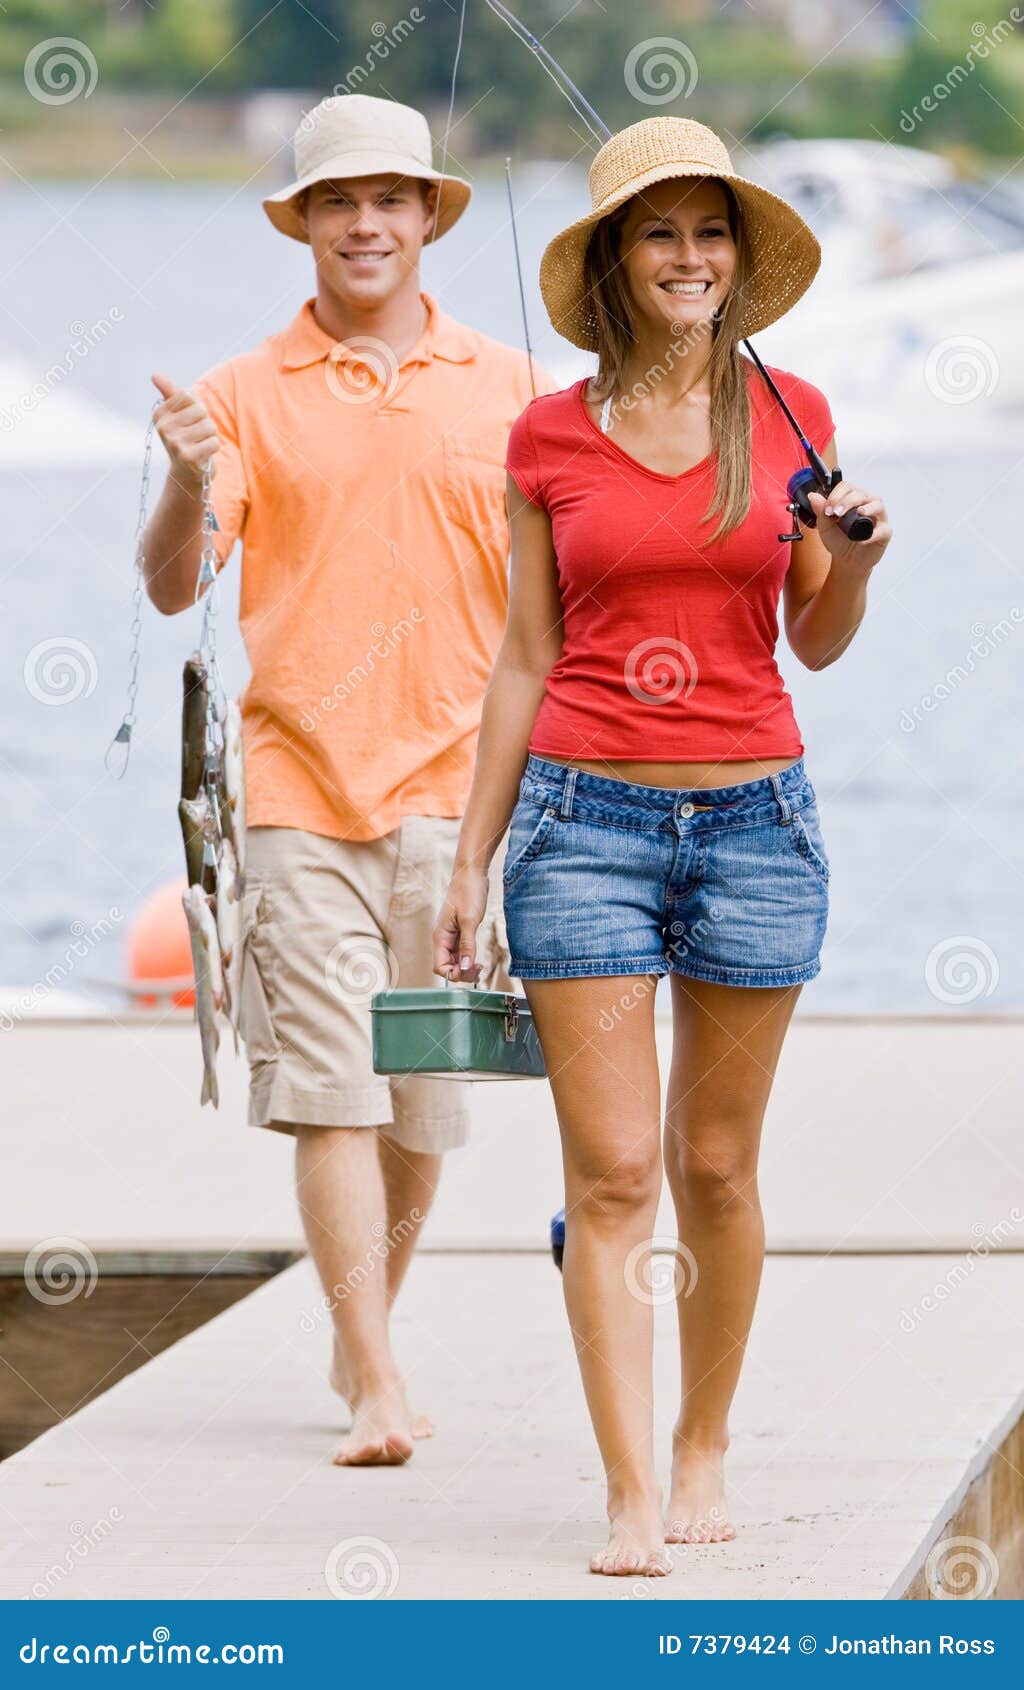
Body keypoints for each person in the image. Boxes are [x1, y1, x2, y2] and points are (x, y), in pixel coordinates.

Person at [433, 116, 892, 1577]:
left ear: (738, 261)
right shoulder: (547, 435)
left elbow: (814, 639)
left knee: (716, 1165)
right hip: (585, 824)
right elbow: (521, 658)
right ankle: (630, 1482)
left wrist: (857, 563)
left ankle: (706, 1437)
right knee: (616, 1168)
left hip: (759, 821)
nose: (688, 258)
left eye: (710, 233)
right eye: (660, 232)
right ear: (617, 262)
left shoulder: (797, 412)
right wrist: (467, 857)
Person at [142, 93, 550, 1468]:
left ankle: (359, 1320)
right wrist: (178, 477)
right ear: (303, 225)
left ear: (429, 216)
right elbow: (172, 585)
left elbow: (566, 597)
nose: (363, 224)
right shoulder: (241, 395)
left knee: (422, 1106)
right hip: (297, 791)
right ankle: (375, 1371)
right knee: (330, 1090)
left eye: (389, 199)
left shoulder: (514, 387)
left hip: (463, 794)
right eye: (335, 202)